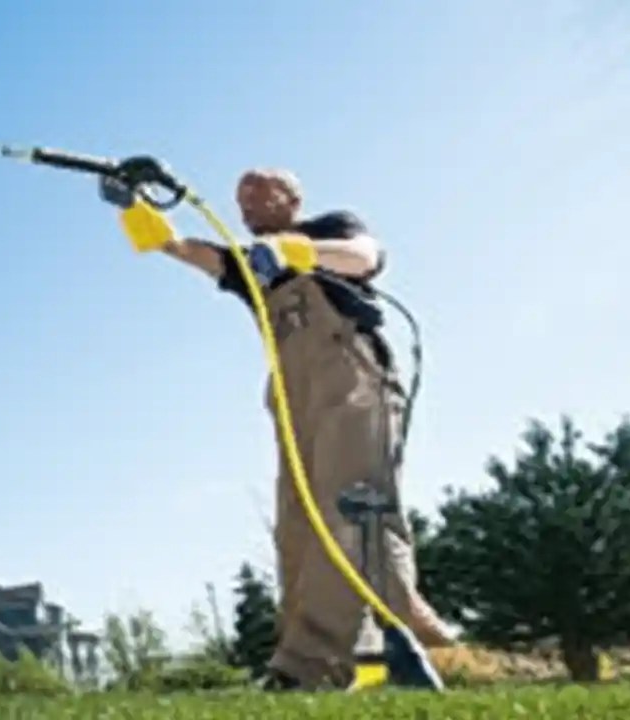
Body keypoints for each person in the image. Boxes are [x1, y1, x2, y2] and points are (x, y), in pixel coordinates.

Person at [159, 168, 454, 690]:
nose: (245, 206)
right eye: (239, 200)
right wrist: (135, 205)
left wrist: (300, 252)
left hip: (350, 376)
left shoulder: (330, 228)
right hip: (294, 395)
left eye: (258, 193)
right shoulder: (249, 265)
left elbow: (365, 257)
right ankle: (363, 654)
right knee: (298, 525)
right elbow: (180, 247)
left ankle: (322, 663)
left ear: (292, 199)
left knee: (353, 507)